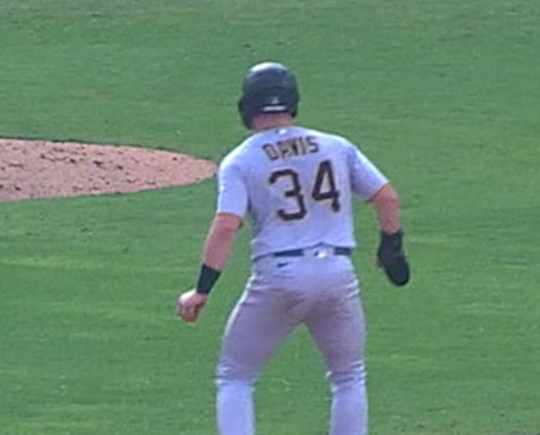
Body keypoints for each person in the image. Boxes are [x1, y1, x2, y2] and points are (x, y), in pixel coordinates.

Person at [175, 61, 411, 435]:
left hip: (280, 275)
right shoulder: (336, 146)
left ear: (247, 106)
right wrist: (391, 247)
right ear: (292, 102)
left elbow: (226, 225)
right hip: (337, 273)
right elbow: (387, 197)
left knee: (235, 376)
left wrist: (201, 290)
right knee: (349, 376)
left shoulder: (241, 159)